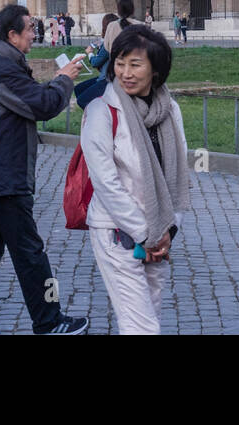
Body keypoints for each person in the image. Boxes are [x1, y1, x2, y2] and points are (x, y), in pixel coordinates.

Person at [0, 4, 89, 335]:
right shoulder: (2, 67)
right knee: (31, 253)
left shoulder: (2, 62)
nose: (35, 33)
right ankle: (49, 320)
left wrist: (56, 81)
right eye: (30, 28)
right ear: (13, 34)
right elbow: (43, 105)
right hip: (1, 178)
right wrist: (63, 80)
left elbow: (29, 98)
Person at [81, 25, 190, 334]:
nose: (125, 72)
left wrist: (169, 230)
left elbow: (179, 172)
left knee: (148, 318)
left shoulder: (170, 110)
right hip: (118, 233)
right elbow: (105, 183)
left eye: (135, 64)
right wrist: (145, 234)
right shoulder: (101, 111)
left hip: (160, 232)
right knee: (142, 326)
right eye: (120, 63)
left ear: (155, 70)